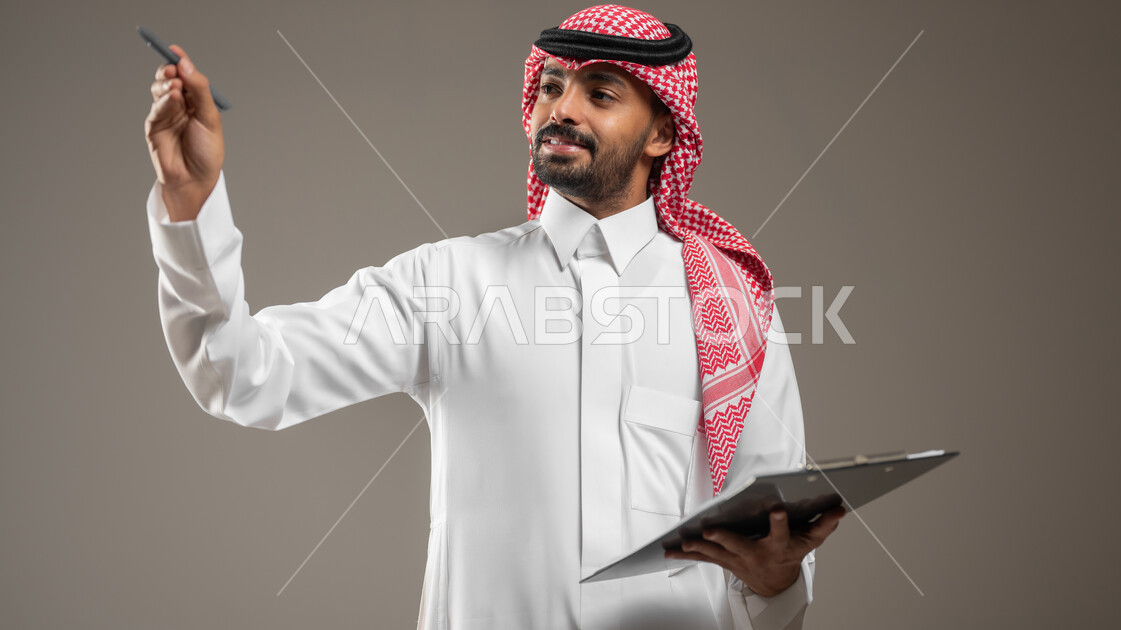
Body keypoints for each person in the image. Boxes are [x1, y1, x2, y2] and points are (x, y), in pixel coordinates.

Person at [142, 5, 844, 629]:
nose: (562, 109)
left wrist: (779, 582)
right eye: (550, 87)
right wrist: (190, 203)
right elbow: (244, 375)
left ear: (663, 132)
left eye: (600, 93)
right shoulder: (449, 282)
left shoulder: (730, 306)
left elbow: (773, 541)